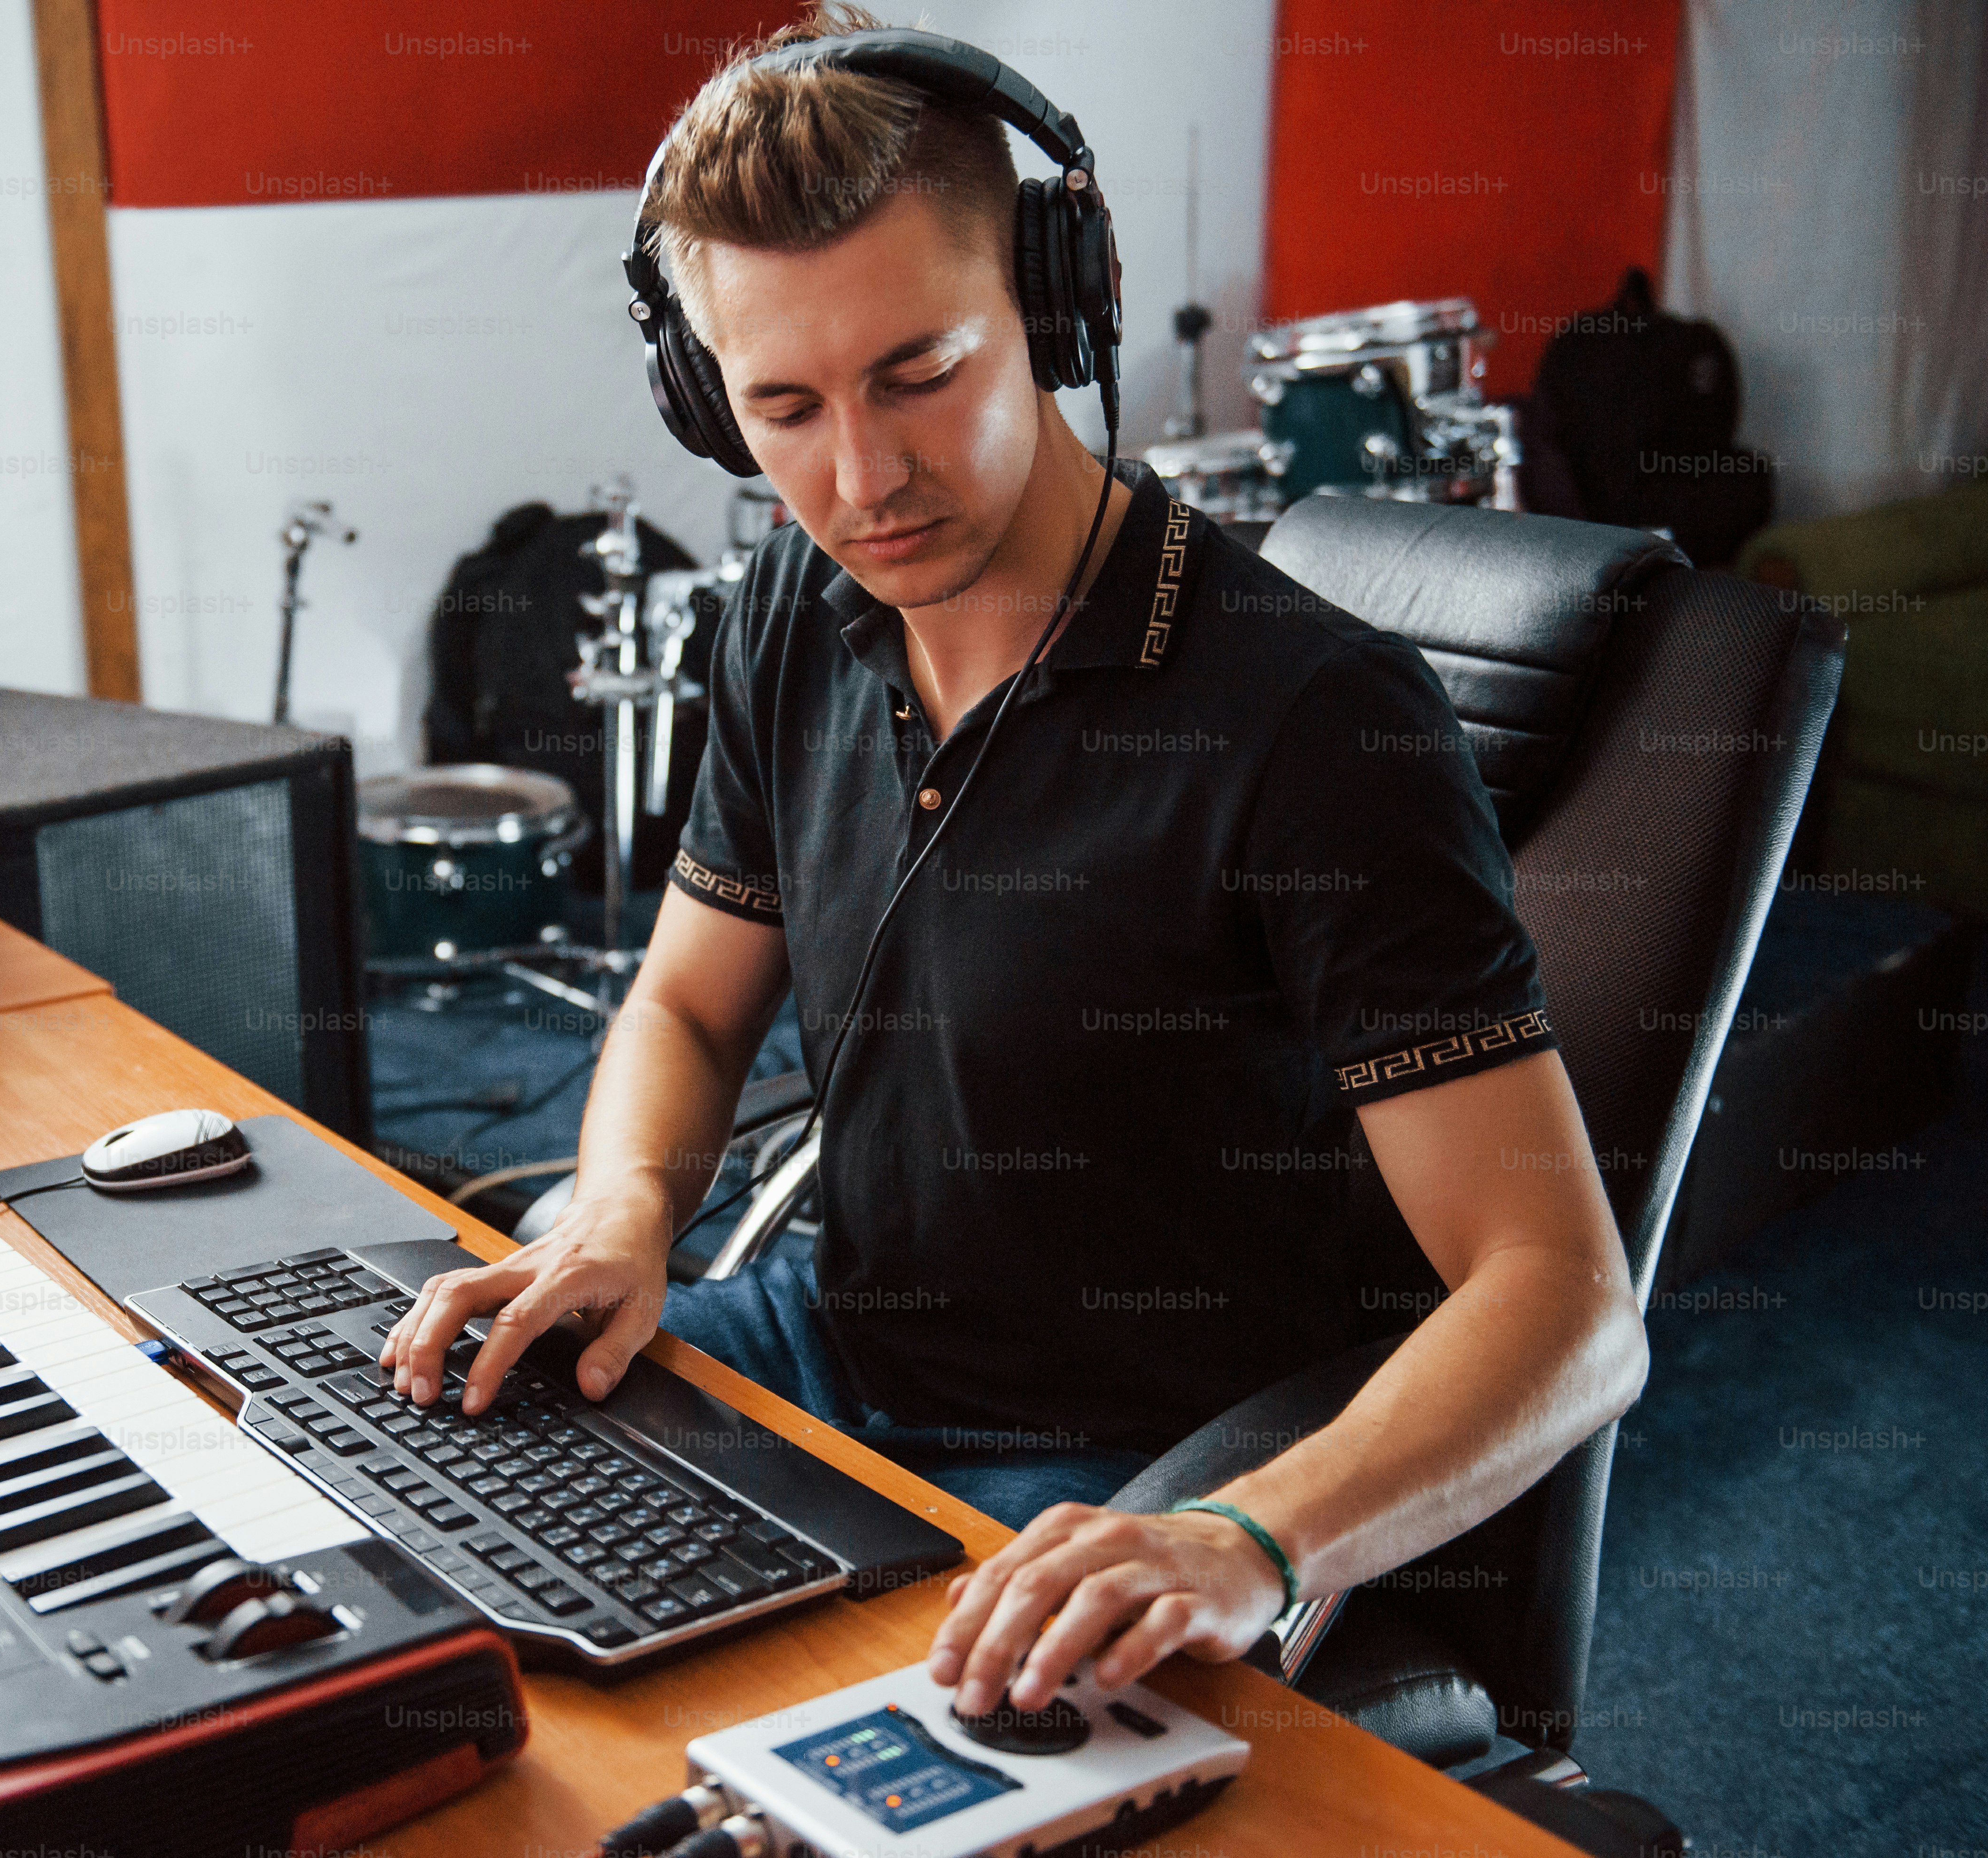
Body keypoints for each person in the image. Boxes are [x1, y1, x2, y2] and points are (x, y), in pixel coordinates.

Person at [380, 4, 1646, 1720]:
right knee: (400, 1530)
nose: (863, 477)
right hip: (824, 1339)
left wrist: (1240, 1534)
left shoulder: (1315, 720)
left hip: (1121, 1465)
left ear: (1053, 310)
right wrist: (622, 1209)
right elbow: (685, 1001)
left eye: (920, 374)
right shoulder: (792, 606)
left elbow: (1568, 1303)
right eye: (783, 406)